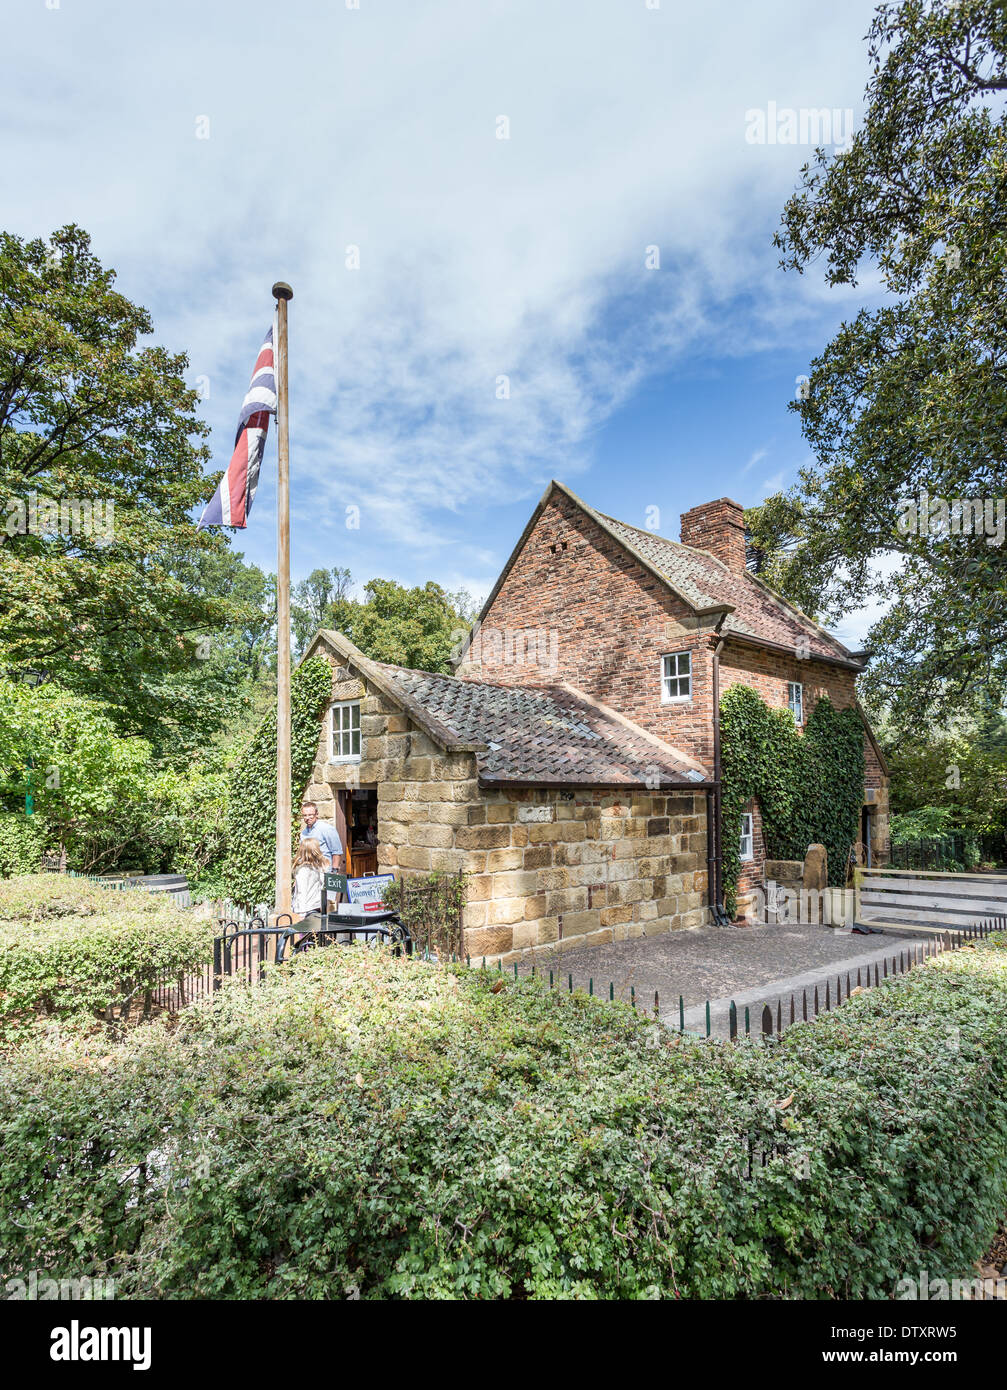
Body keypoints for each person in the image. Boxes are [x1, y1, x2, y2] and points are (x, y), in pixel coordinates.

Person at [299, 800, 343, 870]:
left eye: (310, 815)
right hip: (308, 872)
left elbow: (337, 852)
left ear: (317, 814)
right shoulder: (303, 833)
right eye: (305, 815)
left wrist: (334, 872)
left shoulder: (327, 829)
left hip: (324, 872)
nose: (307, 818)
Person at [291, 837, 327, 921]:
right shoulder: (315, 868)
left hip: (308, 908)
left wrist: (302, 913)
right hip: (312, 907)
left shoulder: (305, 869)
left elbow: (302, 892)